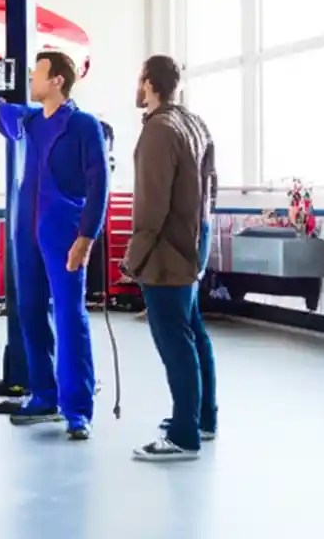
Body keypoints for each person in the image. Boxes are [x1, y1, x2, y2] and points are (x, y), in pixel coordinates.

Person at [0, 31, 109, 440]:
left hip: (65, 235)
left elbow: (100, 186)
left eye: (38, 73)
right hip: (27, 235)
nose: (32, 80)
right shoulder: (29, 122)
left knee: (70, 318)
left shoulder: (84, 126)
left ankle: (77, 410)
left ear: (57, 79)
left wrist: (86, 237)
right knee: (30, 313)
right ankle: (44, 395)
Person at [123, 54, 219, 462]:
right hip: (193, 247)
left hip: (166, 255)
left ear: (149, 83)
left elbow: (151, 207)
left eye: (139, 78)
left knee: (174, 341)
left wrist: (133, 259)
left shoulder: (158, 131)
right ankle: (202, 418)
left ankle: (183, 435)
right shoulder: (195, 124)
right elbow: (211, 192)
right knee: (194, 334)